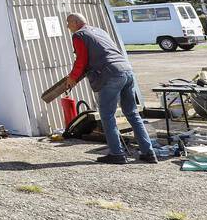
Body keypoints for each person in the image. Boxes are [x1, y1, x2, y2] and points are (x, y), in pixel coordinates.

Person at [63, 12, 156, 164]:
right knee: (132, 113)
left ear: (75, 22)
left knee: (107, 115)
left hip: (111, 74)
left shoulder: (79, 35)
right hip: (127, 71)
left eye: (68, 23)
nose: (68, 27)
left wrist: (72, 77)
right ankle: (149, 152)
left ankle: (116, 154)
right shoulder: (99, 31)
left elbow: (81, 59)